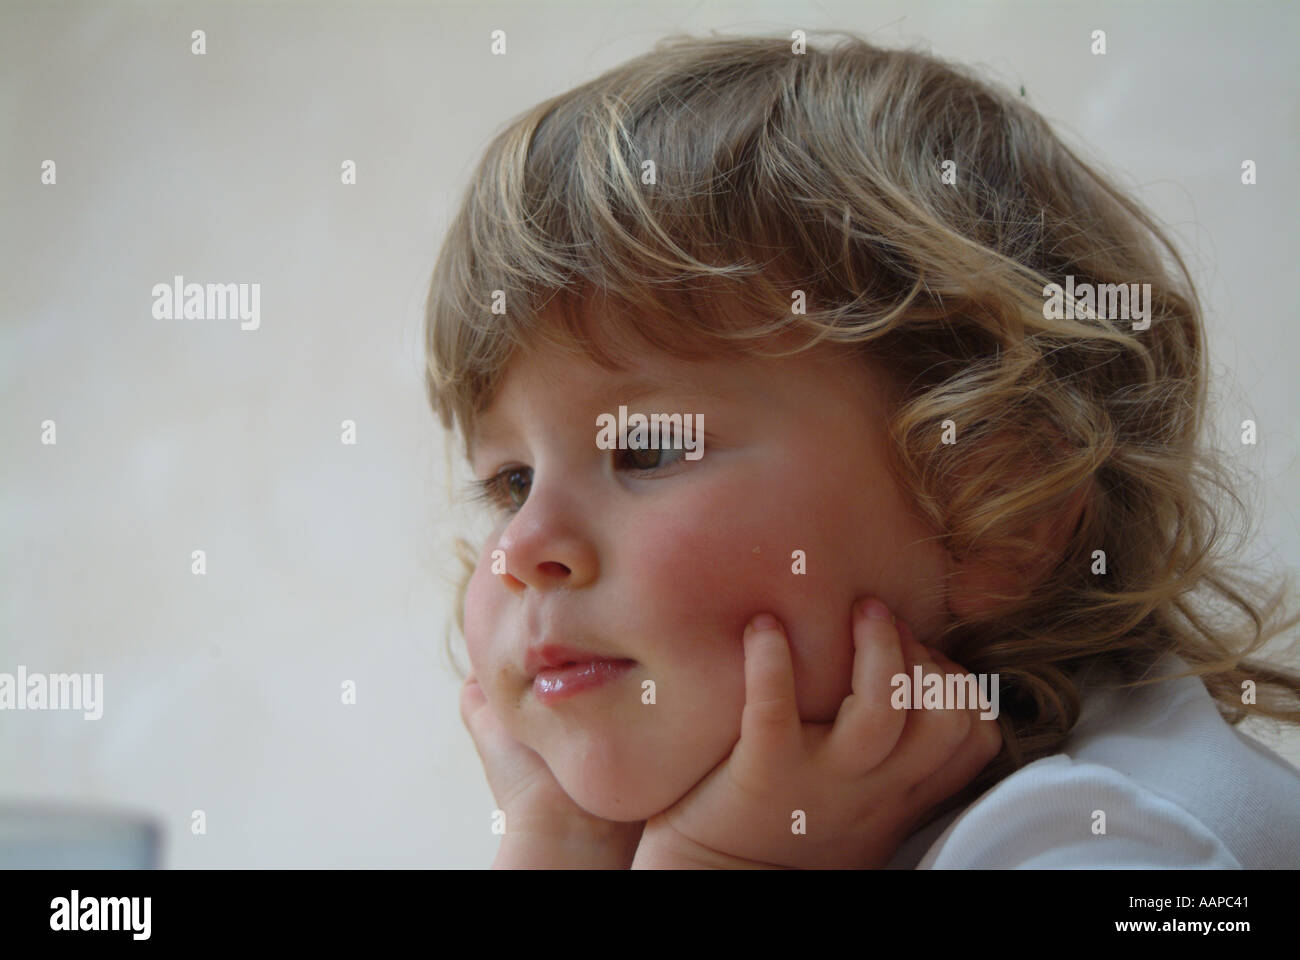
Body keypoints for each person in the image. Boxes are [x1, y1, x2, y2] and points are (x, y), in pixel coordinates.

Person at [425, 31, 1300, 868]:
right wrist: (562, 847)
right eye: (510, 482)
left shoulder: (1120, 843)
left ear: (1000, 512)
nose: (522, 551)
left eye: (646, 452)